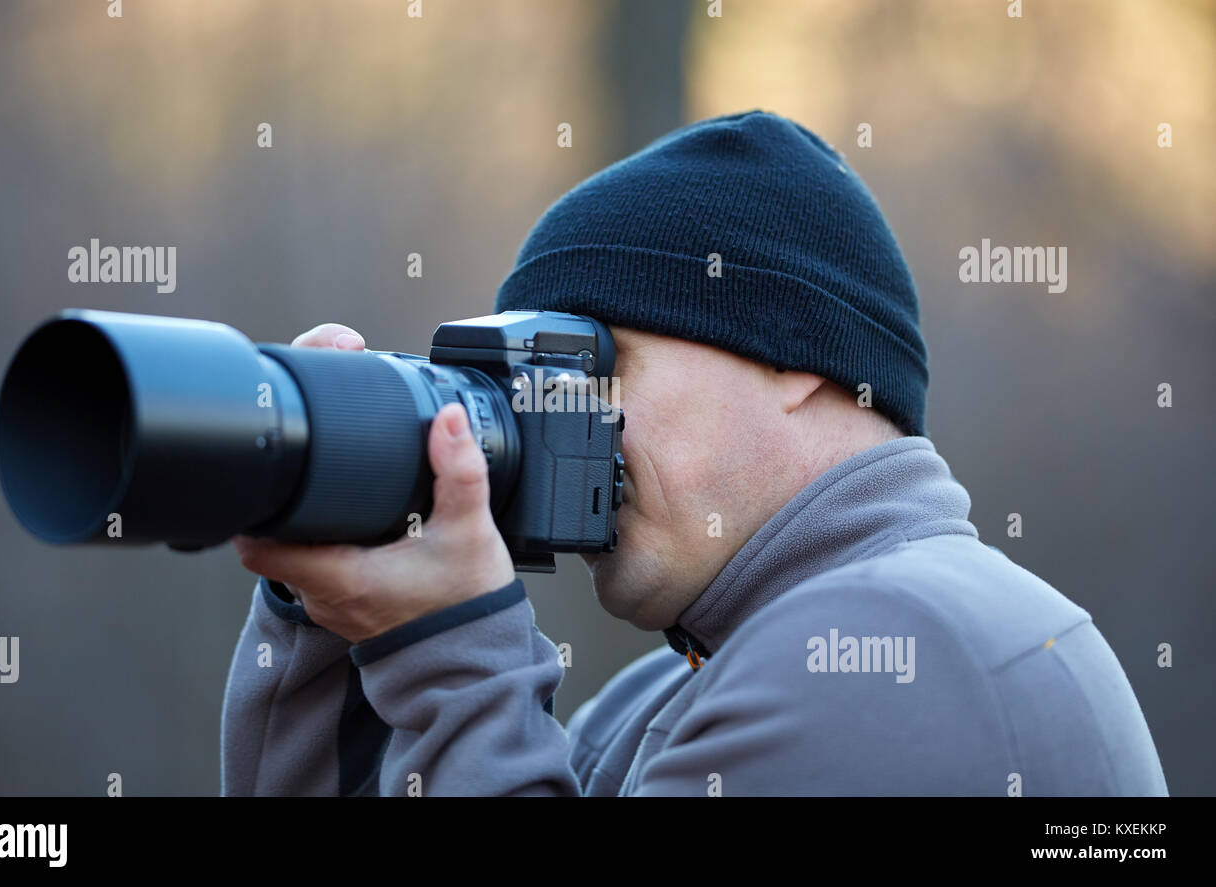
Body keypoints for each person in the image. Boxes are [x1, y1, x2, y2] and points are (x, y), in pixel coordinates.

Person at [221, 111, 1167, 796]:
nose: (564, 428)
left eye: (601, 366)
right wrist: (328, 612)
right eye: (537, 384)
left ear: (798, 360)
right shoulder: (673, 693)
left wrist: (451, 650)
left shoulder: (892, 652)